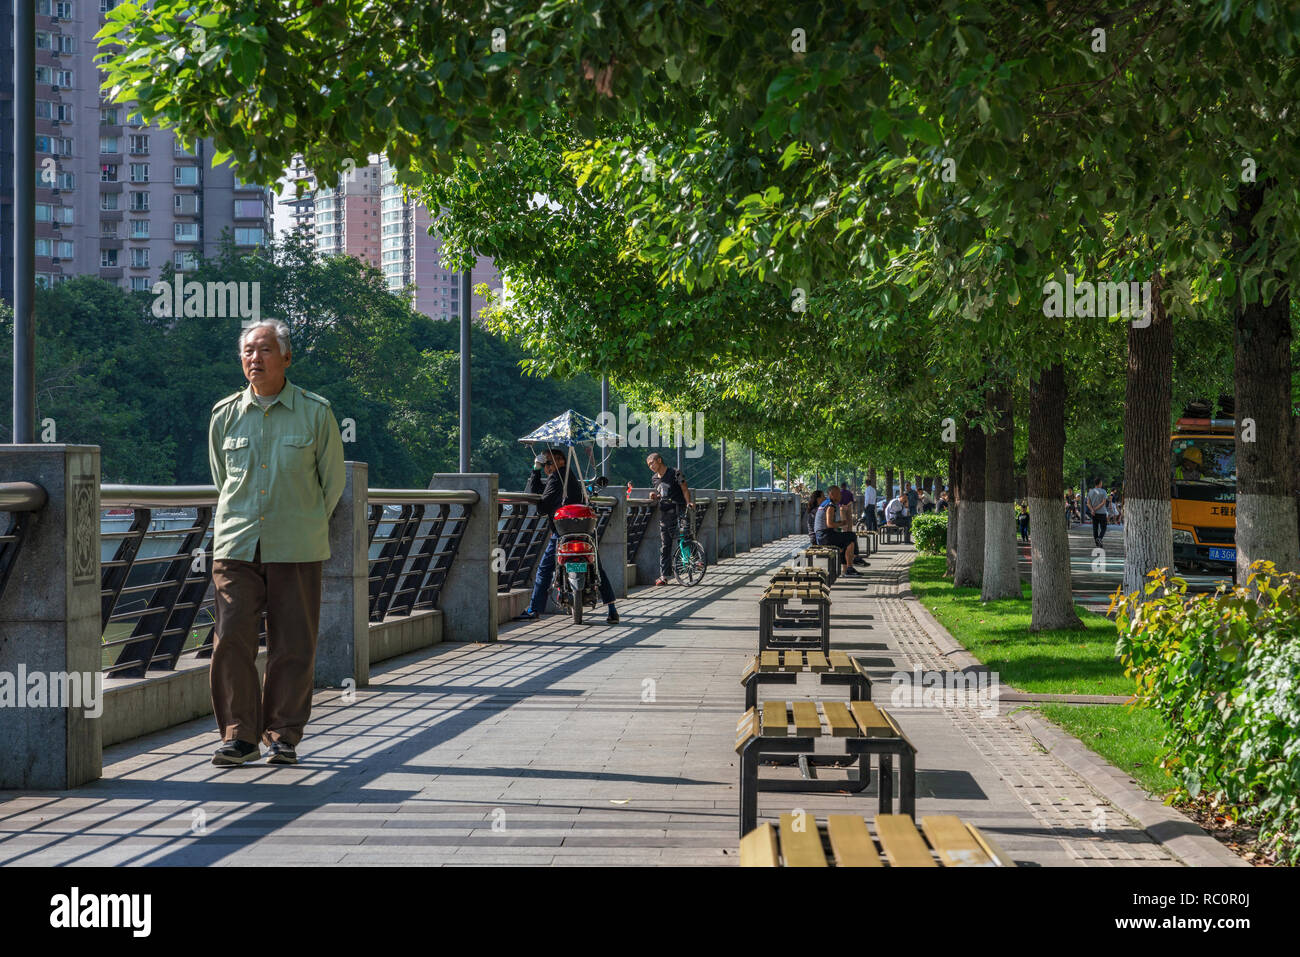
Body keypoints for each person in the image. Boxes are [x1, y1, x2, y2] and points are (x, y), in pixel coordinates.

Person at [206, 319, 345, 767]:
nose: (255, 359)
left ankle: (283, 736)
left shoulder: (315, 412)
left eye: (265, 350)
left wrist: (302, 522)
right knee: (231, 639)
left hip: (297, 546)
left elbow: (333, 483)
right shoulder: (225, 414)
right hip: (236, 544)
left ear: (286, 357)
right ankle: (238, 736)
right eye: (248, 351)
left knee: (293, 644)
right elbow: (221, 480)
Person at [521, 449, 619, 623]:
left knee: (544, 569)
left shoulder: (556, 478)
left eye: (548, 463)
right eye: (545, 464)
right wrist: (535, 470)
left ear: (561, 461)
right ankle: (612, 609)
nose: (546, 467)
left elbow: (542, 506)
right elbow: (539, 490)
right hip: (583, 530)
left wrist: (535, 469)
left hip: (562, 533)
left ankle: (534, 609)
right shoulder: (569, 476)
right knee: (597, 567)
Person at [647, 452, 693, 585]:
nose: (651, 466)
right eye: (649, 465)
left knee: (685, 536)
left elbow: (684, 489)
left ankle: (694, 561)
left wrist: (688, 502)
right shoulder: (654, 478)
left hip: (679, 509)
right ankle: (664, 576)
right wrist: (655, 496)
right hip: (665, 513)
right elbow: (662, 493)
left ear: (659, 460)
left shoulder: (675, 473)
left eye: (652, 463)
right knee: (665, 545)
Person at [814, 485, 861, 574]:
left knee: (848, 543)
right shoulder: (830, 505)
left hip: (822, 536)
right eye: (838, 494)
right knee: (851, 535)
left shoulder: (826, 503)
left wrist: (839, 524)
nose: (840, 496)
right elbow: (829, 524)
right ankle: (856, 557)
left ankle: (848, 569)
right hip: (825, 536)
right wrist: (841, 523)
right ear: (832, 494)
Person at [1086, 478, 1110, 547]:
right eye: (1101, 483)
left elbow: (1088, 503)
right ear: (1099, 483)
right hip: (1102, 512)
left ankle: (1097, 543)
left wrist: (1092, 510)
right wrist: (1095, 509)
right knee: (1104, 527)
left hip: (1094, 513)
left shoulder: (1090, 492)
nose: (1102, 484)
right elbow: (1103, 503)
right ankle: (1099, 538)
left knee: (1095, 528)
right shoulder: (1103, 491)